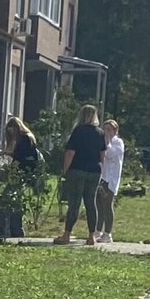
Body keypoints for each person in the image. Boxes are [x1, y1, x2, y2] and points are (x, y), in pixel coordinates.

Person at [53, 104, 106, 246]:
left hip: (77, 169)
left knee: (74, 203)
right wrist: (100, 169)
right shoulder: (100, 133)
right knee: (91, 203)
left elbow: (70, 152)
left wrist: (65, 170)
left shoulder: (78, 131)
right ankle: (91, 236)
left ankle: (67, 234)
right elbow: (102, 154)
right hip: (94, 170)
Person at [0, 116, 41, 238]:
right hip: (26, 173)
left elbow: (20, 157)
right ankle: (16, 229)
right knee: (16, 201)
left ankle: (3, 229)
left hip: (20, 173)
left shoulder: (24, 139)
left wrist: (10, 171)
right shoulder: (28, 138)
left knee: (5, 199)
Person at [95, 119, 124, 243]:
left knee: (107, 205)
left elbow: (110, 153)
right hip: (101, 177)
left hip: (111, 178)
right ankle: (97, 231)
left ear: (115, 131)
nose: (106, 132)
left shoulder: (118, 143)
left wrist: (107, 141)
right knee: (99, 205)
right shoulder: (102, 142)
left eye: (109, 130)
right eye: (105, 129)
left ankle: (107, 233)